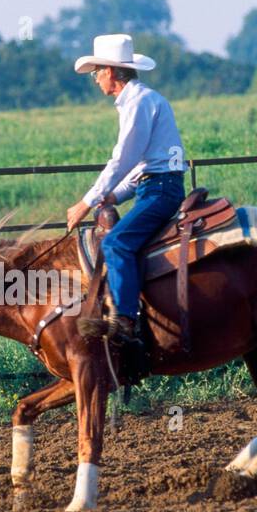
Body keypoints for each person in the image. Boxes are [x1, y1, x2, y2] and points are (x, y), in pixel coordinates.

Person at [67, 33, 185, 343]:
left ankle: (125, 321)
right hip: (157, 186)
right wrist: (115, 194)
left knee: (117, 243)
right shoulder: (140, 100)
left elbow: (124, 158)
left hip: (160, 190)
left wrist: (87, 202)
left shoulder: (139, 102)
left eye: (96, 72)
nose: (95, 80)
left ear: (110, 72)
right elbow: (141, 166)